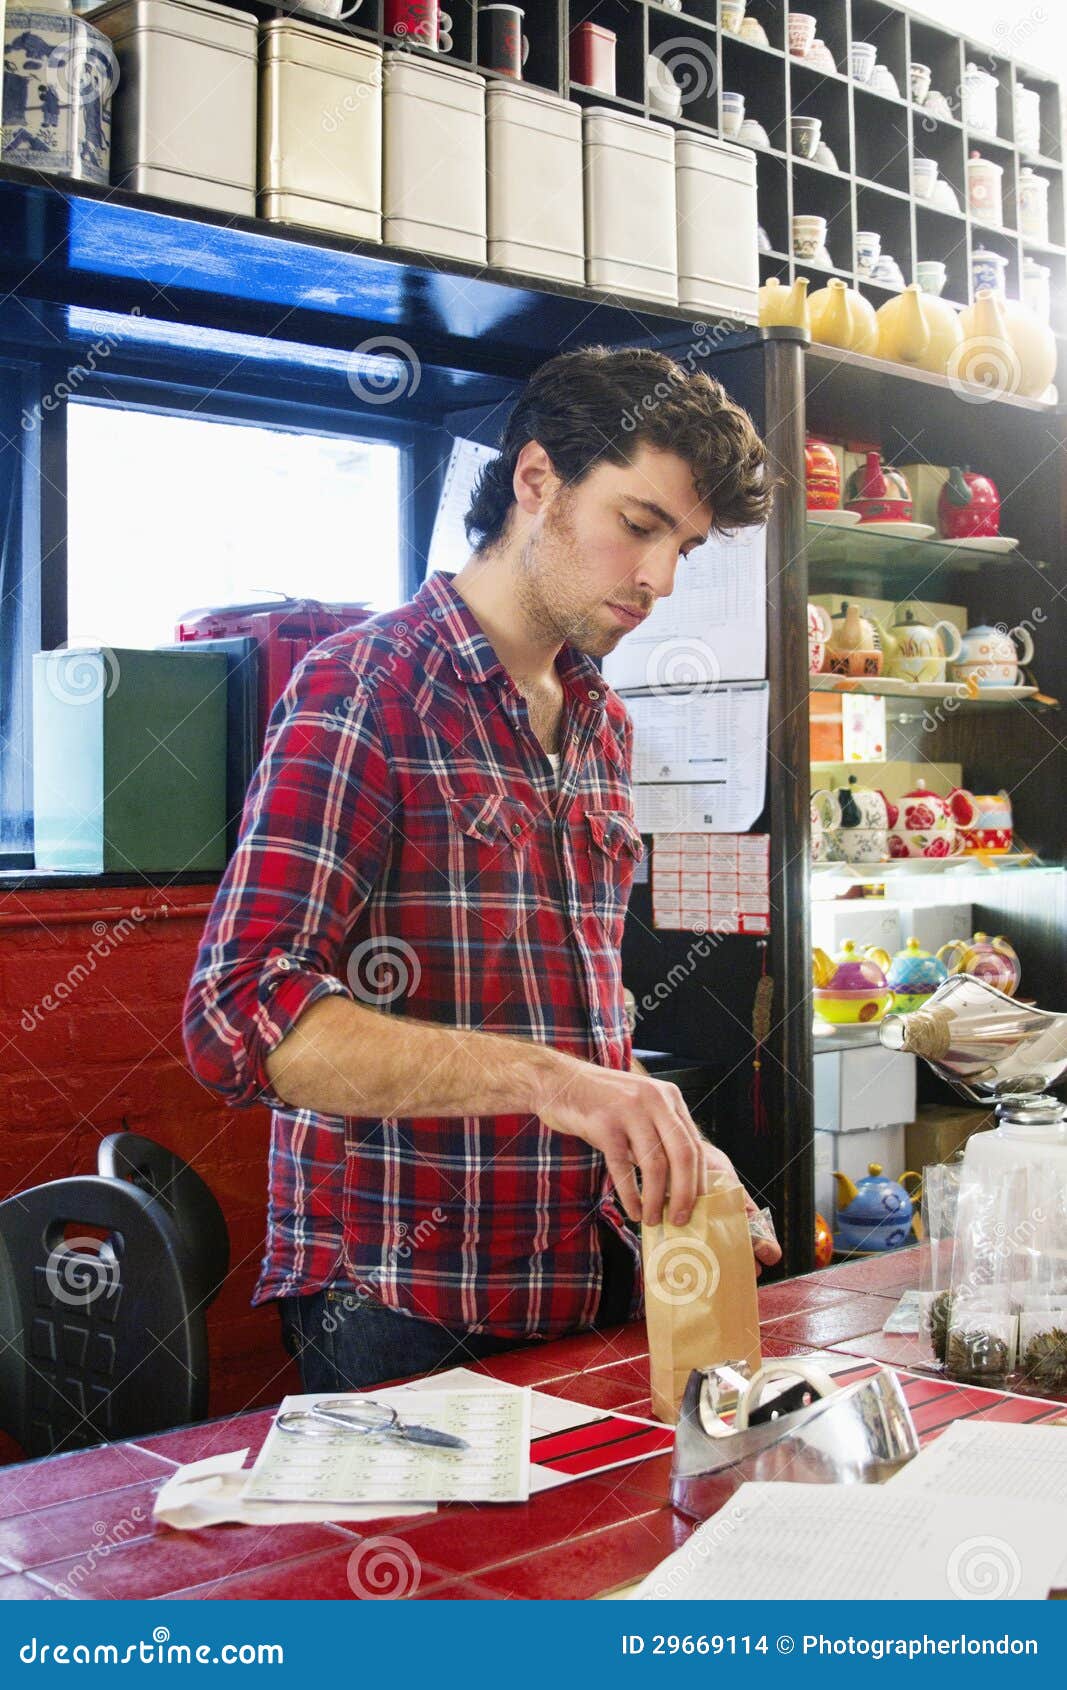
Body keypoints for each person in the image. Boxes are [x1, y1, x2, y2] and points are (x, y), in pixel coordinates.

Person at [183, 344, 780, 1392]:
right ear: (537, 480)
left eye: (684, 547)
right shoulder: (363, 689)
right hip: (401, 1304)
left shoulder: (602, 723)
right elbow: (239, 1016)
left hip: (587, 1272)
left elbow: (574, 1023)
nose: (660, 580)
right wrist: (554, 1081)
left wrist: (666, 1142)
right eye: (639, 525)